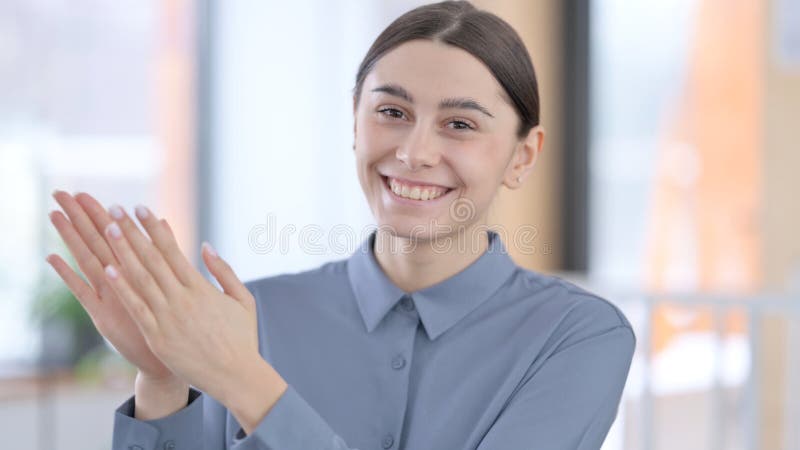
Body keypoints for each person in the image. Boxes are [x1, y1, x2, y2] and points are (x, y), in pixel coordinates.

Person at [46, 1, 636, 449]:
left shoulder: (579, 337)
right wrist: (162, 377)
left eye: (459, 124)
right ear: (355, 123)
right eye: (392, 113)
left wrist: (247, 383)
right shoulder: (250, 315)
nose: (414, 151)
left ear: (523, 157)